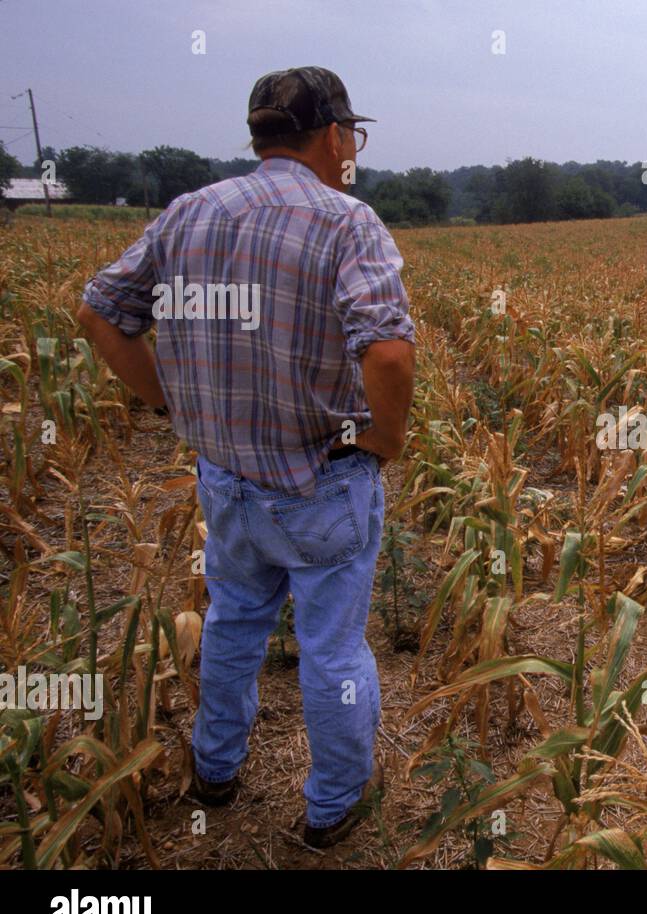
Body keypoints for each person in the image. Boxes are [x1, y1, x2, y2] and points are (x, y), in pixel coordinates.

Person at [76, 66, 415, 849]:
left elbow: (99, 314)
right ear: (332, 136)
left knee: (231, 624)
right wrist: (387, 443)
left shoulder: (190, 212)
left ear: (261, 136)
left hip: (226, 480)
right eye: (350, 136)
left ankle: (217, 770)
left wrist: (169, 403)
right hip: (320, 477)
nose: (350, 150)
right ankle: (332, 808)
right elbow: (389, 358)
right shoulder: (346, 221)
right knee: (331, 648)